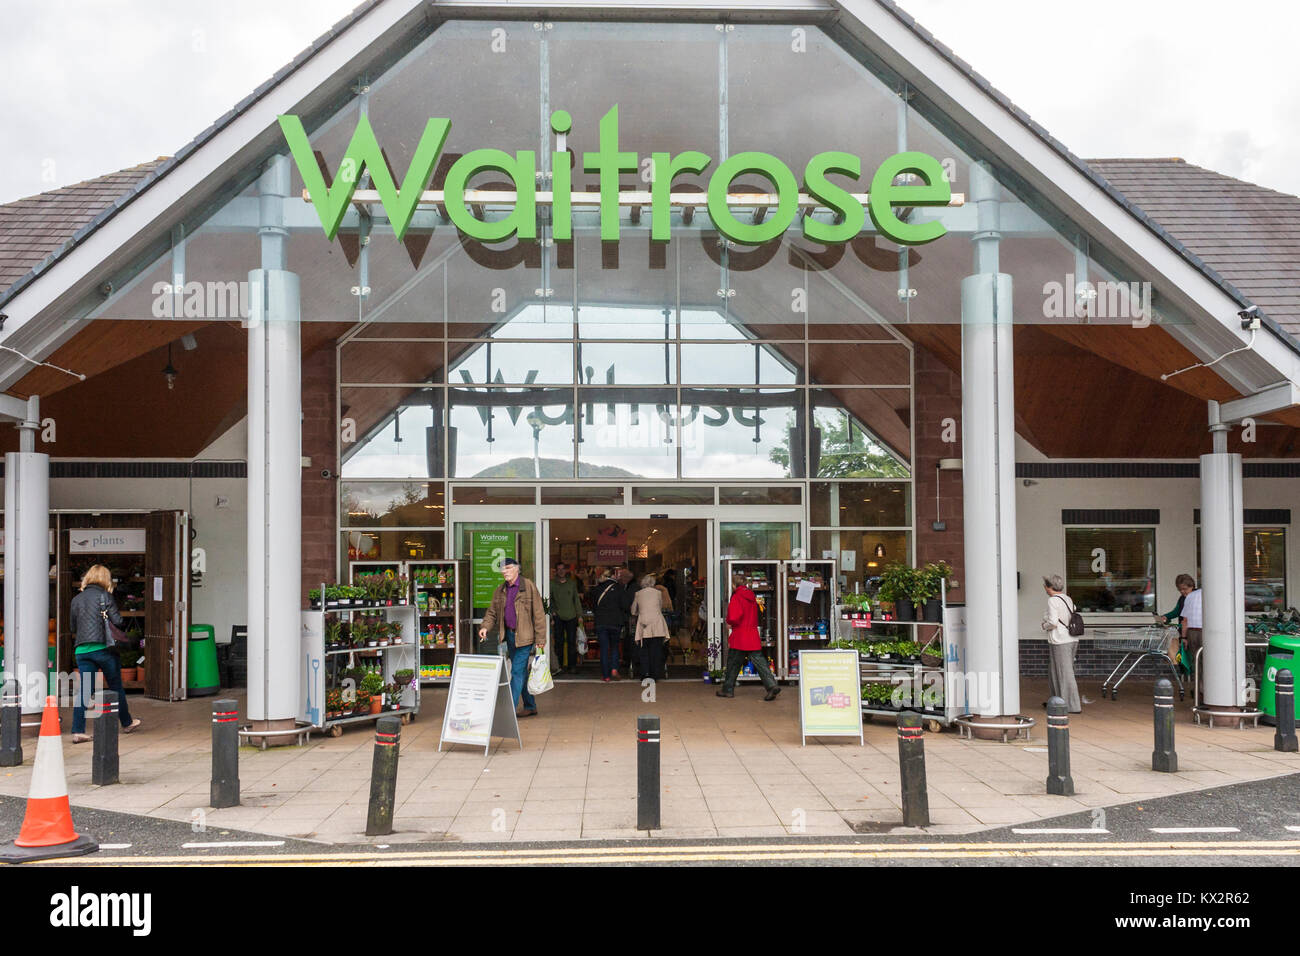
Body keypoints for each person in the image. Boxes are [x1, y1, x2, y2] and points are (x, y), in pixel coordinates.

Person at [69, 564, 141, 743]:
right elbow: (118, 621)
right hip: (103, 649)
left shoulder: (76, 599)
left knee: (85, 690)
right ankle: (127, 722)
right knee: (116, 686)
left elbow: (72, 627)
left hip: (82, 650)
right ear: (105, 579)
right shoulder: (105, 597)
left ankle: (78, 731)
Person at [478, 558, 547, 717]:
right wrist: (485, 627)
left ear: (517, 569)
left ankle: (508, 709)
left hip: (525, 636)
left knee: (516, 671)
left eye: (508, 568)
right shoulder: (500, 590)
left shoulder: (528, 586)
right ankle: (530, 705)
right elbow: (492, 612)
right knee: (521, 671)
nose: (504, 571)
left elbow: (538, 614)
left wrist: (541, 640)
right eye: (503, 568)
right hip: (509, 635)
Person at [718, 573, 780, 700]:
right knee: (760, 662)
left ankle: (728, 689)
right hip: (752, 635)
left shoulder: (736, 597)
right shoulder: (751, 596)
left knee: (733, 663)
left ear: (734, 585)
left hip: (740, 635)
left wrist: (729, 622)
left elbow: (735, 616)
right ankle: (772, 685)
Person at [1041, 574, 1084, 713]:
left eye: (1045, 585)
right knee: (1056, 670)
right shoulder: (1068, 598)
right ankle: (1057, 701)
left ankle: (1072, 705)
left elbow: (1053, 622)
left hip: (1060, 640)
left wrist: (1044, 625)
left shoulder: (1053, 600)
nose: (1044, 588)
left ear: (1049, 587)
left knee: (1064, 672)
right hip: (1072, 638)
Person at [631, 573, 670, 681]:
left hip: (644, 625)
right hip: (657, 624)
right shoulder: (658, 593)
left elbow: (633, 610)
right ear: (653, 583)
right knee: (656, 650)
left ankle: (645, 674)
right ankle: (655, 675)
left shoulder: (638, 594)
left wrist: (640, 611)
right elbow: (660, 606)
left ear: (643, 583)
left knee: (644, 651)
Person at [549, 561, 584, 675]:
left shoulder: (571, 583)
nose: (561, 571)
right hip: (558, 616)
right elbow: (549, 599)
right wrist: (552, 612)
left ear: (566, 570)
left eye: (563, 568)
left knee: (571, 642)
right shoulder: (552, 583)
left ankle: (572, 666)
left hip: (572, 616)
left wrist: (579, 615)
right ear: (556, 571)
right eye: (558, 569)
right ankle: (559, 666)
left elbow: (576, 600)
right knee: (558, 643)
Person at [591, 568, 624, 681]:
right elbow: (623, 605)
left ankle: (606, 676)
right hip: (615, 622)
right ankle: (614, 669)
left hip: (601, 622)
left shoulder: (597, 589)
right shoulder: (619, 588)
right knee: (614, 647)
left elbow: (594, 606)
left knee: (604, 649)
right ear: (613, 576)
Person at [1180, 577, 1204, 678]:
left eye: (1184, 589)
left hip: (1192, 632)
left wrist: (1184, 637)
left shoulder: (1190, 596)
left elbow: (1185, 620)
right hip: (1206, 631)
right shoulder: (1212, 594)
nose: (1182, 592)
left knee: (1197, 661)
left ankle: (1200, 689)